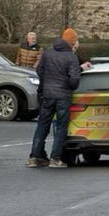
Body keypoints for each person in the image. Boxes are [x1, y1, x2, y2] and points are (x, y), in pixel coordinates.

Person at [27, 28, 90, 168]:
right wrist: (75, 77)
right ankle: (55, 158)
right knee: (61, 127)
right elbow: (74, 80)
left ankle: (35, 157)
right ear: (73, 43)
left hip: (47, 94)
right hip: (63, 96)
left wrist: (47, 83)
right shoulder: (71, 57)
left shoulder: (48, 52)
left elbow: (39, 70)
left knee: (42, 124)